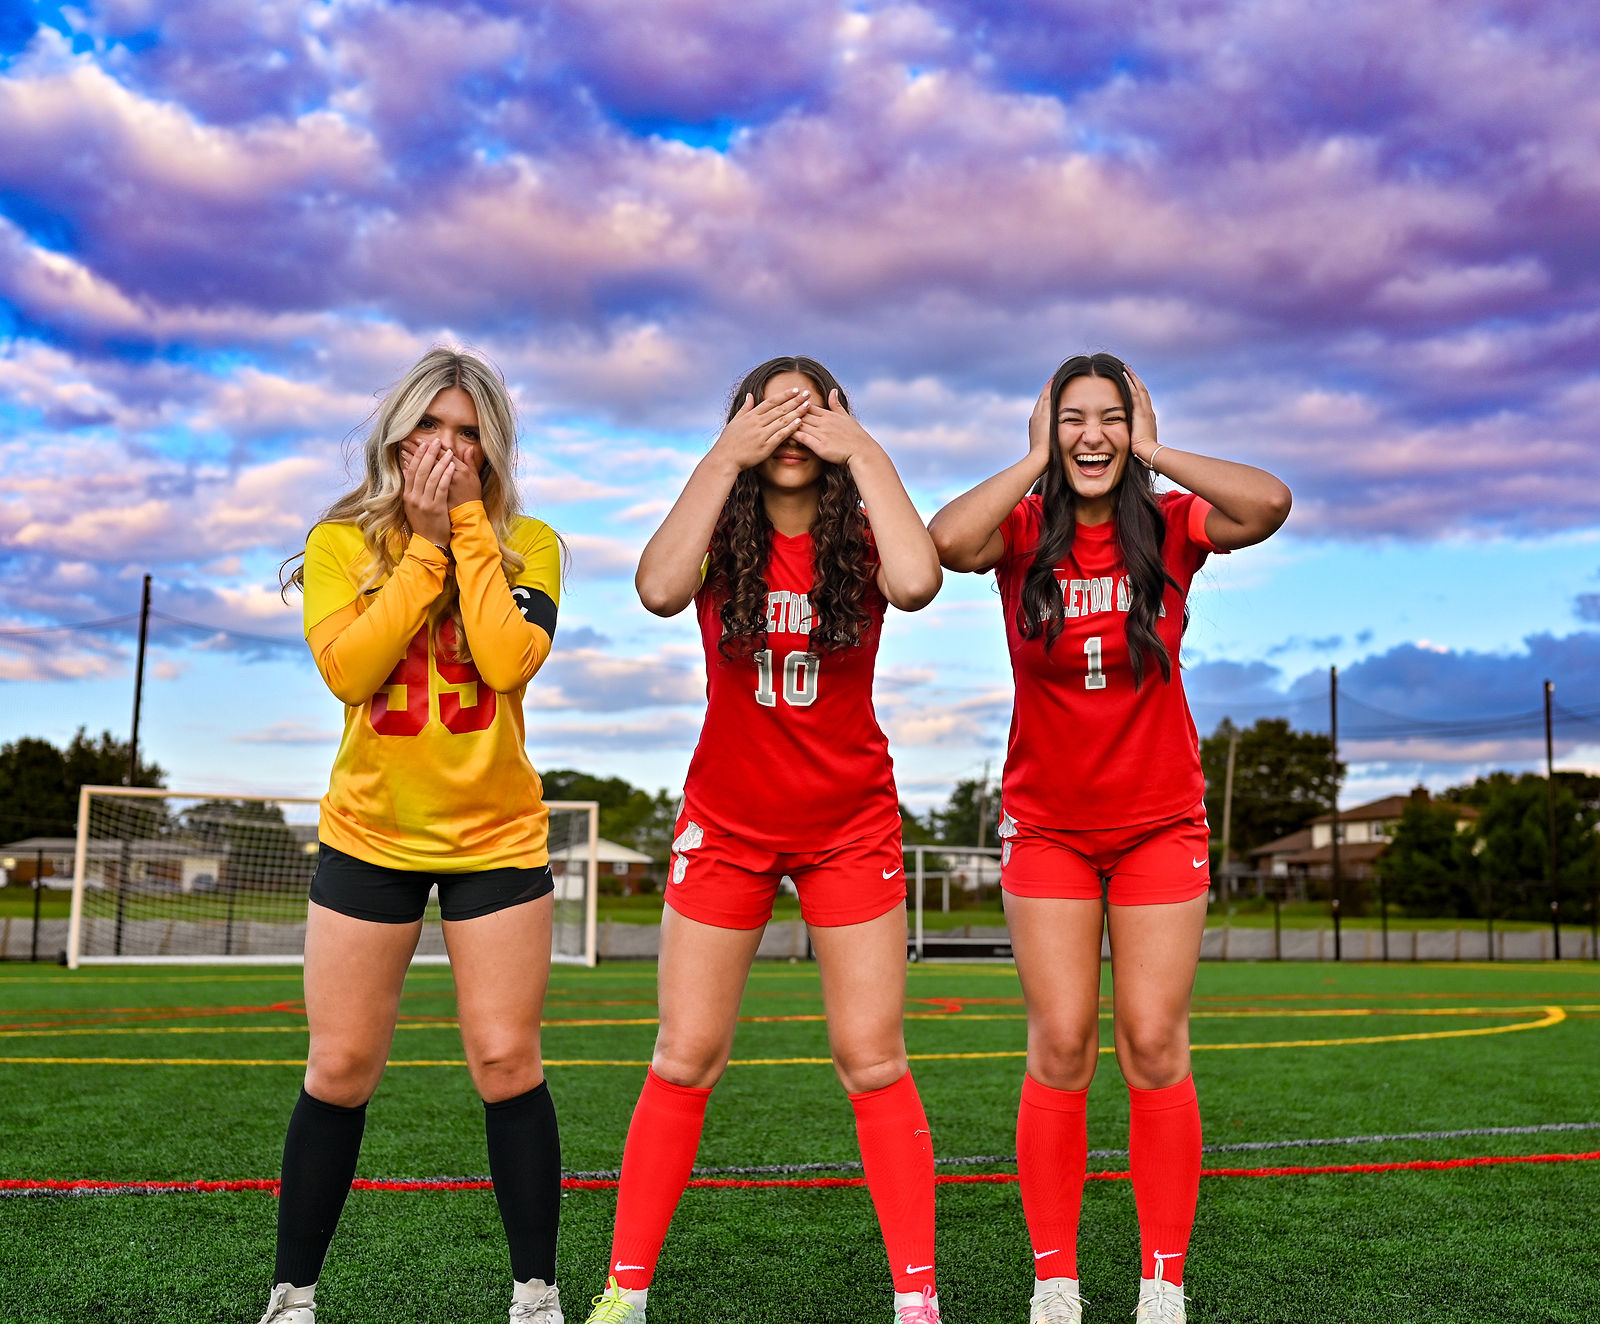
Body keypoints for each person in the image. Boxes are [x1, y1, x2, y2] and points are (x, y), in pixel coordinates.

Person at [580, 357, 946, 1324]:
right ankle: (625, 1292)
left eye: (811, 407)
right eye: (767, 408)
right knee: (684, 1054)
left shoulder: (864, 539)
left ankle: (917, 1299)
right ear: (740, 425)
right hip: (729, 823)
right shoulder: (723, 539)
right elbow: (657, 589)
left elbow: (917, 581)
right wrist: (720, 456)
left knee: (873, 1057)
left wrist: (862, 447)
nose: (791, 425)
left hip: (846, 824)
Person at [927, 354, 1291, 1324]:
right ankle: (1055, 1280)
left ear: (1133, 426)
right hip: (1047, 828)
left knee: (1154, 1042)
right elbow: (943, 541)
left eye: (1109, 418)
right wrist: (1035, 458)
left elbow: (1268, 503)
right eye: (1071, 419)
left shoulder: (1171, 529)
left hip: (1158, 825)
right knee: (1058, 1042)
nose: (1091, 435)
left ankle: (1160, 1280)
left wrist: (1154, 450)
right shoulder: (1017, 532)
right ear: (1046, 430)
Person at [265, 348, 567, 1324]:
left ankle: (534, 1293)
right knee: (340, 1067)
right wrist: (424, 549)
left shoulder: (534, 543)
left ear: (492, 447)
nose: (447, 447)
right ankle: (294, 1294)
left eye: (468, 431)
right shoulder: (339, 544)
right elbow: (351, 673)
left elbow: (502, 658)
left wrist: (464, 530)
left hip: (497, 843)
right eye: (431, 428)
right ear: (397, 436)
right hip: (370, 836)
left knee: (505, 1062)